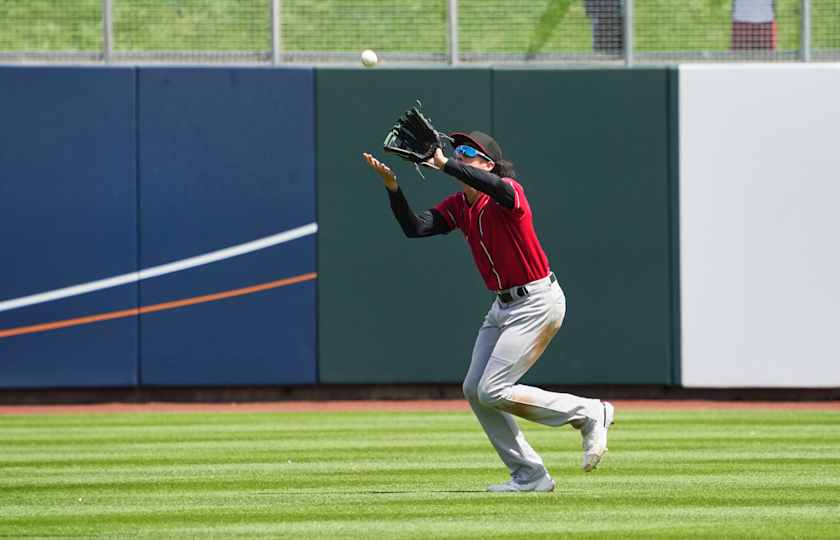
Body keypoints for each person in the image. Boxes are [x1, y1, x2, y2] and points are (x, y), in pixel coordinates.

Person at [362, 131, 615, 493]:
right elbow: (415, 228)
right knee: (474, 389)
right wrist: (393, 189)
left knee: (493, 389)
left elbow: (496, 187)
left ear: (488, 165)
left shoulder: (509, 194)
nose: (459, 155)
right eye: (457, 150)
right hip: (502, 306)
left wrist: (444, 163)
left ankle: (589, 413)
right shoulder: (459, 205)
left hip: (537, 302)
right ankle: (530, 475)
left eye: (468, 152)